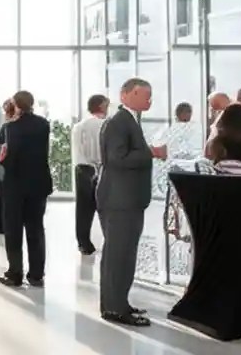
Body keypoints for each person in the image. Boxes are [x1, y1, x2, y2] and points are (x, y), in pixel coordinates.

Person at [97, 77, 165, 327]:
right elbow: (117, 158)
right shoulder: (118, 122)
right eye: (144, 94)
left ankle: (119, 302)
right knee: (118, 255)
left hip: (128, 199)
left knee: (125, 254)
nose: (149, 99)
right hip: (119, 199)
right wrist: (151, 152)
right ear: (126, 94)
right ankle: (114, 308)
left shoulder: (130, 120)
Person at [0, 91, 53, 288]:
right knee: (36, 229)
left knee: (13, 230)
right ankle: (36, 275)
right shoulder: (43, 124)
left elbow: (7, 157)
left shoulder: (10, 128)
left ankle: (15, 273)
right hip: (39, 184)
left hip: (15, 186)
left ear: (15, 104)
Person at [71, 94, 107, 255]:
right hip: (98, 168)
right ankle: (110, 239)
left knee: (83, 209)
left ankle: (83, 242)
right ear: (101, 106)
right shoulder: (104, 125)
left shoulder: (79, 126)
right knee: (104, 206)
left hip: (81, 168)